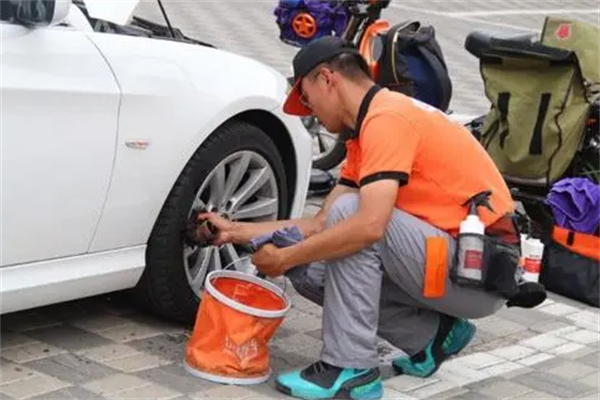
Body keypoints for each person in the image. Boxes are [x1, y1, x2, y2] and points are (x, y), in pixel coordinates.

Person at [199, 36, 519, 400]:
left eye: (306, 98)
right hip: (451, 267)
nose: (311, 114)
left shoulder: (388, 118)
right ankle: (433, 336)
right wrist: (236, 232)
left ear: (327, 79)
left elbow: (368, 226)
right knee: (310, 266)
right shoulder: (368, 130)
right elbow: (320, 225)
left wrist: (283, 256)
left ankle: (350, 370)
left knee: (350, 219)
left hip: (478, 272)